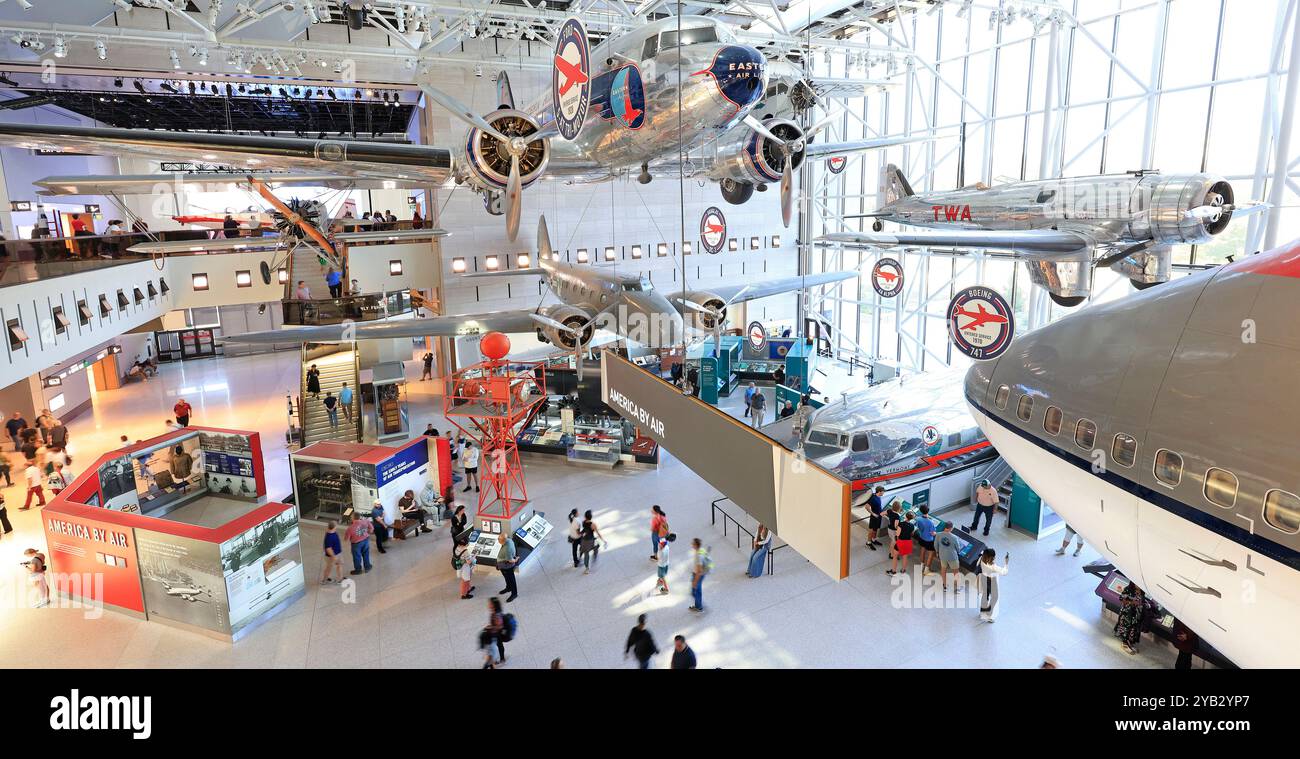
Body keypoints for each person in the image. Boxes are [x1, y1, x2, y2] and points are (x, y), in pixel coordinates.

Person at [1114, 581, 1148, 654]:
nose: (1138, 585)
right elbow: (1121, 599)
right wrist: (1131, 602)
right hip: (1127, 614)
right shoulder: (1128, 589)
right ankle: (1124, 644)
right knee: (1127, 628)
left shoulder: (1141, 592)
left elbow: (1141, 601)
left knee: (1133, 629)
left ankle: (1129, 644)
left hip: (1136, 614)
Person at [977, 548, 1009, 623]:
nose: (995, 558)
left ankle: (982, 612)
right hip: (991, 581)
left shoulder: (981, 558)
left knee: (985, 596)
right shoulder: (992, 567)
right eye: (994, 556)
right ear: (991, 557)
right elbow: (1004, 572)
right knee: (995, 597)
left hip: (983, 578)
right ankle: (989, 615)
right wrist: (1006, 563)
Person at [480, 597, 509, 668]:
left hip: (497, 634)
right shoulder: (494, 612)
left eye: (490, 603)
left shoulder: (497, 615)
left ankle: (501, 659)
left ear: (494, 605)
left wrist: (491, 628)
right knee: (498, 646)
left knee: (498, 646)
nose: (488, 605)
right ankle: (497, 660)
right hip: (495, 633)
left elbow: (500, 626)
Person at [934, 522, 963, 591]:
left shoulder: (938, 534)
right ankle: (957, 587)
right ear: (951, 528)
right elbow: (958, 549)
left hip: (942, 556)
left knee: (943, 570)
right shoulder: (954, 537)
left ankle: (944, 586)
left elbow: (935, 545)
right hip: (952, 557)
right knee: (955, 572)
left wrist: (937, 552)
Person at [889, 511, 916, 576]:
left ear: (905, 516)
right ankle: (903, 570)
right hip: (908, 543)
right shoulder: (912, 526)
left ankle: (893, 571)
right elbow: (912, 534)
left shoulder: (901, 524)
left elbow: (897, 534)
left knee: (895, 557)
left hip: (900, 542)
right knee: (905, 557)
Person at [689, 538, 711, 612]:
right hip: (699, 573)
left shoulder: (699, 556)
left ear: (696, 545)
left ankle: (699, 607)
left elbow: (699, 570)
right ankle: (698, 605)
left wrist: (695, 581)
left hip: (698, 575)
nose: (691, 544)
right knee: (697, 590)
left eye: (693, 543)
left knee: (694, 591)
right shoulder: (701, 550)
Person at [579, 509, 604, 574]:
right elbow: (598, 533)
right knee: (596, 547)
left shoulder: (583, 522)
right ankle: (594, 558)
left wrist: (581, 533)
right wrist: (603, 540)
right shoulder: (593, 524)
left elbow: (584, 530)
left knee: (586, 553)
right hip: (590, 540)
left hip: (584, 540)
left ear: (585, 517)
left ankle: (587, 568)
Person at [915, 505, 938, 574]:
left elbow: (918, 527)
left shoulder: (918, 518)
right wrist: (937, 533)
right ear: (928, 510)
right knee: (931, 553)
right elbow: (933, 533)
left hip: (921, 537)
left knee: (922, 550)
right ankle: (926, 570)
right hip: (929, 540)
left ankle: (922, 566)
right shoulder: (930, 522)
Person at [496, 532, 518, 601]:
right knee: (507, 578)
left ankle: (514, 593)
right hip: (503, 564)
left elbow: (510, 560)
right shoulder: (509, 540)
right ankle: (508, 588)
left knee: (511, 579)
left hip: (507, 566)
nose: (498, 541)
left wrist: (516, 560)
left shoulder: (507, 549)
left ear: (503, 541)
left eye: (499, 540)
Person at [865, 485, 886, 549]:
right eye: (883, 492)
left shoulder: (879, 497)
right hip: (874, 517)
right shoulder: (873, 498)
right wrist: (873, 514)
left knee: (875, 529)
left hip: (879, 516)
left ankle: (873, 540)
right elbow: (867, 506)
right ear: (879, 491)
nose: (883, 493)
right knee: (871, 530)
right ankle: (868, 542)